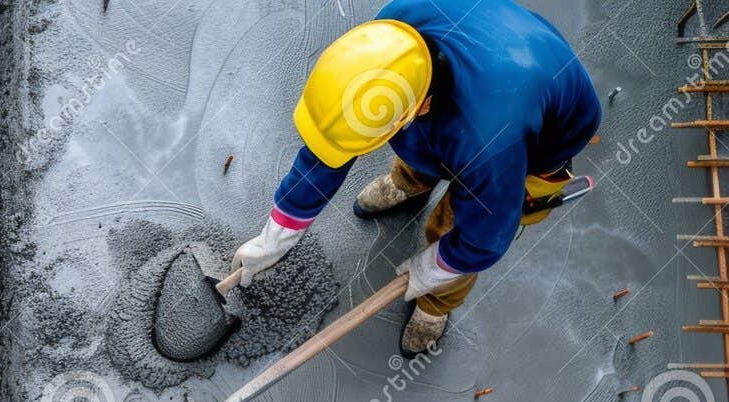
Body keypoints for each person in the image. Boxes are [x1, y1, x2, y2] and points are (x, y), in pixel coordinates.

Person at [230, 0, 600, 358]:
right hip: (493, 56)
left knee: (453, 221)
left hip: (546, 114)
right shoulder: (391, 38)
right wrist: (274, 237)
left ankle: (435, 306)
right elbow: (333, 143)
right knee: (422, 142)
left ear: (422, 105)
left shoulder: (489, 146)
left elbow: (486, 238)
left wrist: (433, 270)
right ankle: (410, 184)